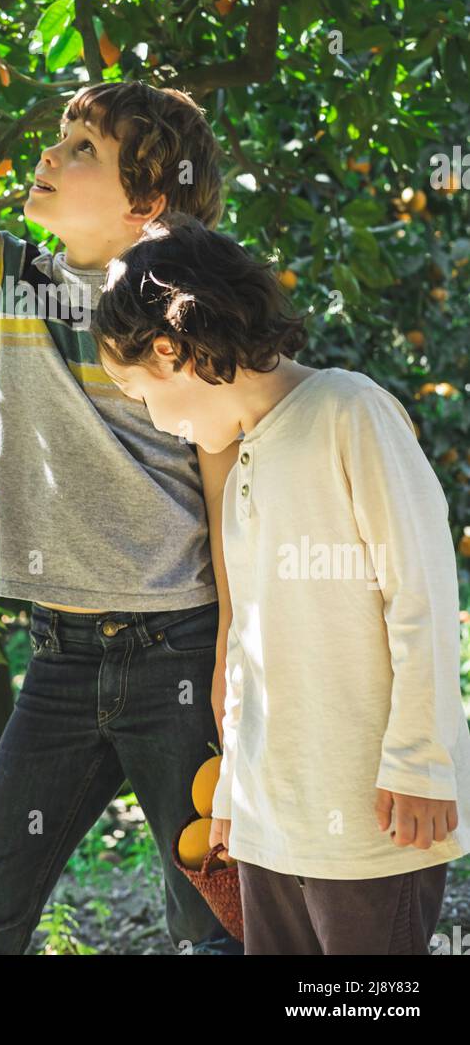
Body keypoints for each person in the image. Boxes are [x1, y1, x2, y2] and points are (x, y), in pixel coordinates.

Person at [0, 81, 244, 954]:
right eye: (59, 139)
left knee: (216, 918)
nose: (49, 157)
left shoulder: (185, 318)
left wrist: (230, 653)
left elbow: (225, 493)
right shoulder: (17, 284)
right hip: (61, 661)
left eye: (82, 150)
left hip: (177, 647)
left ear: (148, 201)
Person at [89, 209, 470, 955]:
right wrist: (237, 792)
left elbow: (421, 593)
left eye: (141, 394)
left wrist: (423, 761)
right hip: (272, 825)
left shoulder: (350, 413)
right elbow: (251, 654)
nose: (155, 421)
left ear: (172, 351)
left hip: (375, 818)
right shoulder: (243, 465)